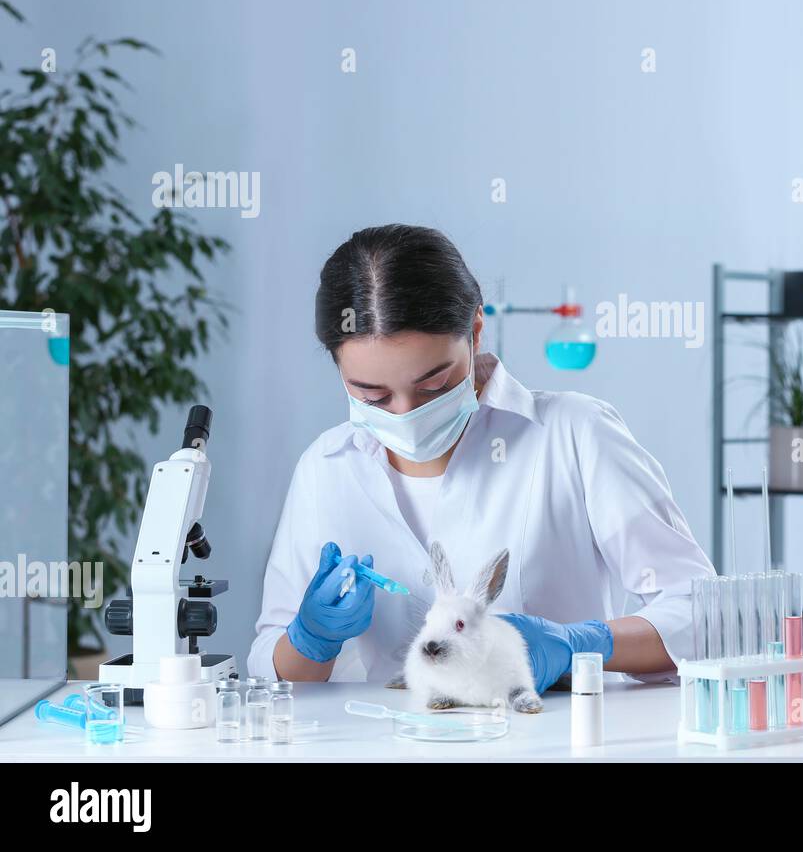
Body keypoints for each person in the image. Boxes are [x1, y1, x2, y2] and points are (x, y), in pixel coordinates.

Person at [248, 223, 715, 695]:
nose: (407, 413)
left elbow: (702, 616)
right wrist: (312, 639)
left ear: (474, 330)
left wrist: (580, 645)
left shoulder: (574, 435)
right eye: (373, 395)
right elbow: (275, 672)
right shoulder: (326, 467)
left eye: (433, 385)